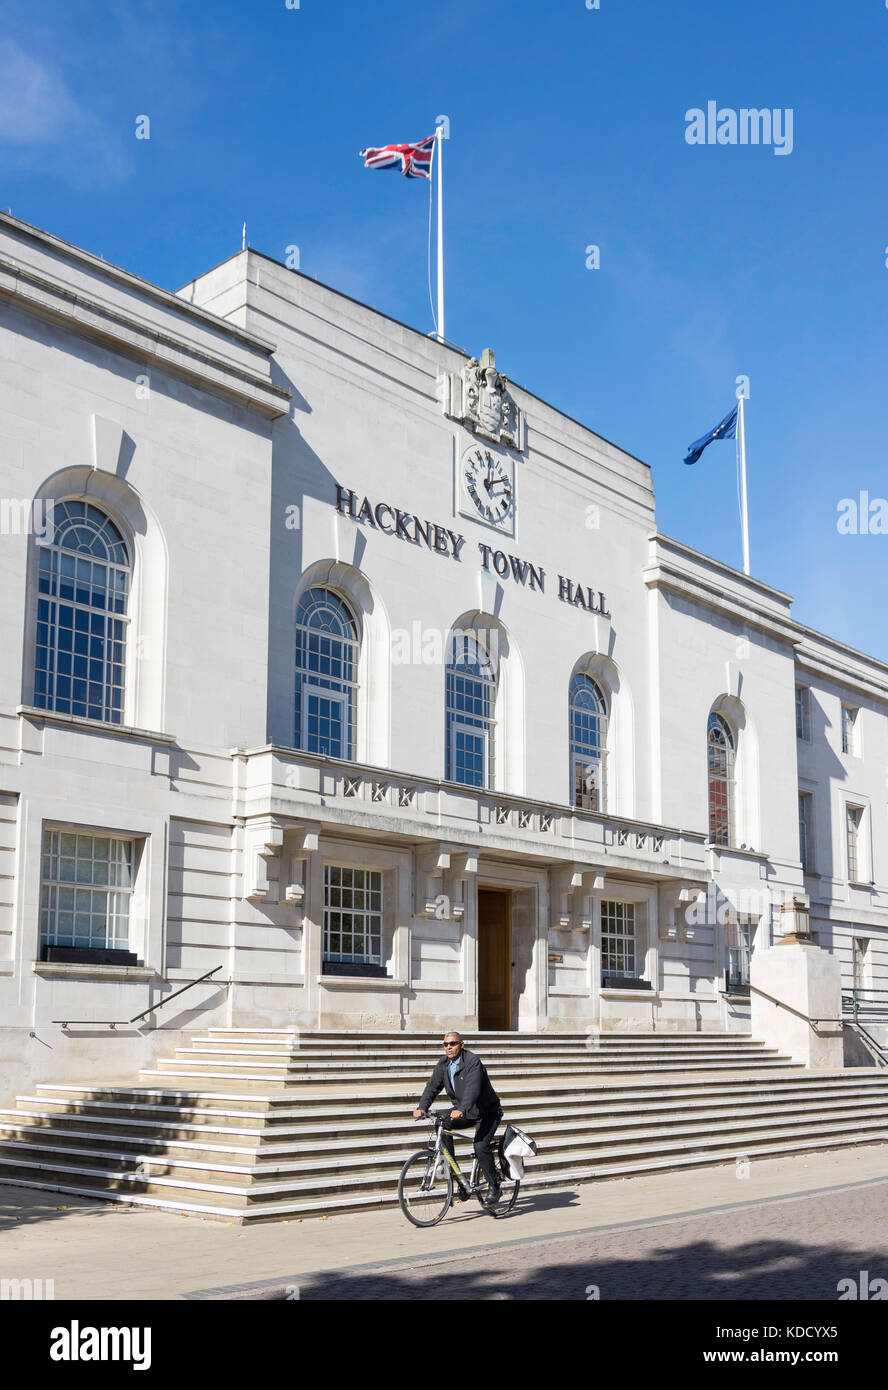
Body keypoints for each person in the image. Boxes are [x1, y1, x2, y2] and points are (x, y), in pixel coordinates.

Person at [413, 1031, 503, 1208]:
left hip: (487, 1112)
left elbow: (473, 1089)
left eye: (453, 1044)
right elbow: (432, 1087)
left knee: (480, 1146)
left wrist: (461, 1108)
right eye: (445, 1044)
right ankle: (457, 1177)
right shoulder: (443, 1064)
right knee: (442, 1122)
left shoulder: (472, 1061)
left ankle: (494, 1187)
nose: (448, 1047)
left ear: (461, 1045)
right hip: (467, 1111)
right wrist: (422, 1107)